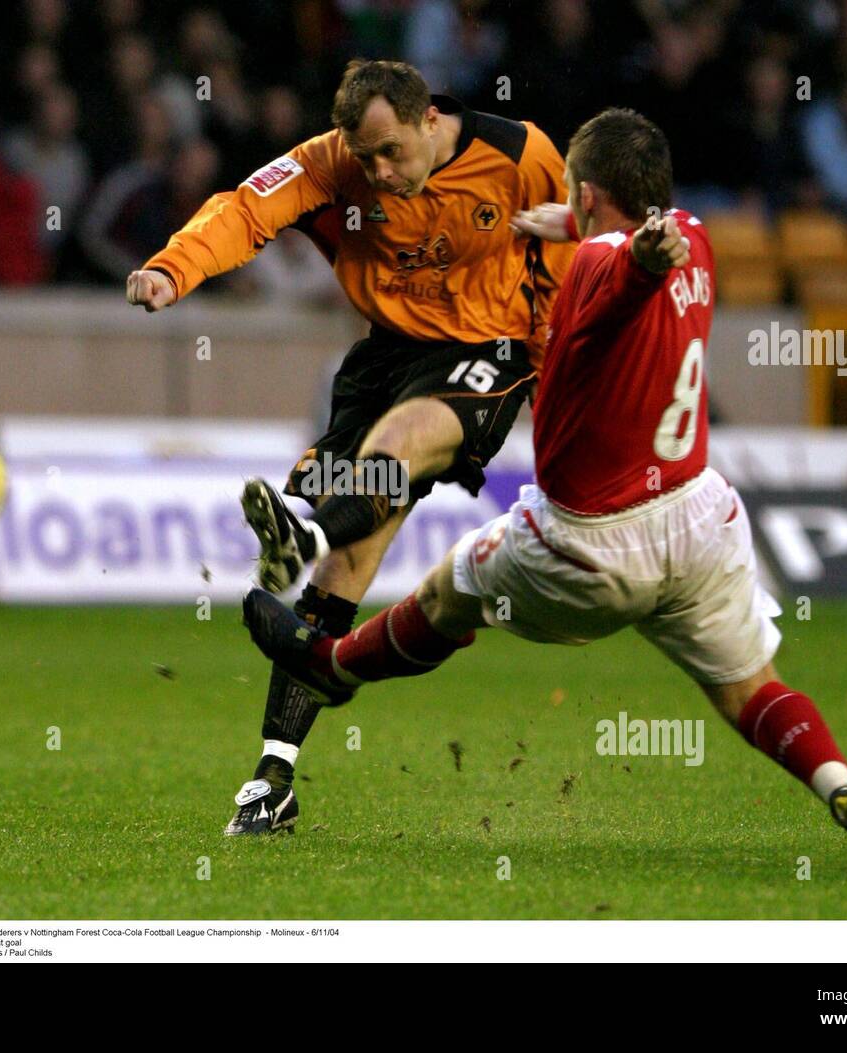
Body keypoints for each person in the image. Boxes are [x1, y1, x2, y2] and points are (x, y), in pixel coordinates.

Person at [242, 108, 847, 874]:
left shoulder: (601, 267)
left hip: (590, 542)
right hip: (700, 519)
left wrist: (627, 257)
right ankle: (839, 782)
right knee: (750, 687)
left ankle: (331, 663)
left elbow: (621, 282)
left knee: (450, 591)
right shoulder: (699, 238)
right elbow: (641, 247)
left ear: (585, 192)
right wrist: (598, 233)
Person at [127, 59, 577, 836]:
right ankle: (274, 778)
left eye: (389, 153)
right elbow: (244, 209)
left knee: (398, 445)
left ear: (429, 120)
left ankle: (300, 529)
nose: (376, 172)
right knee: (344, 571)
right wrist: (175, 269)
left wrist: (556, 358)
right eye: (363, 157)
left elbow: (573, 251)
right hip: (384, 358)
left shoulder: (522, 154)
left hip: (489, 351)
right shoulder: (334, 160)